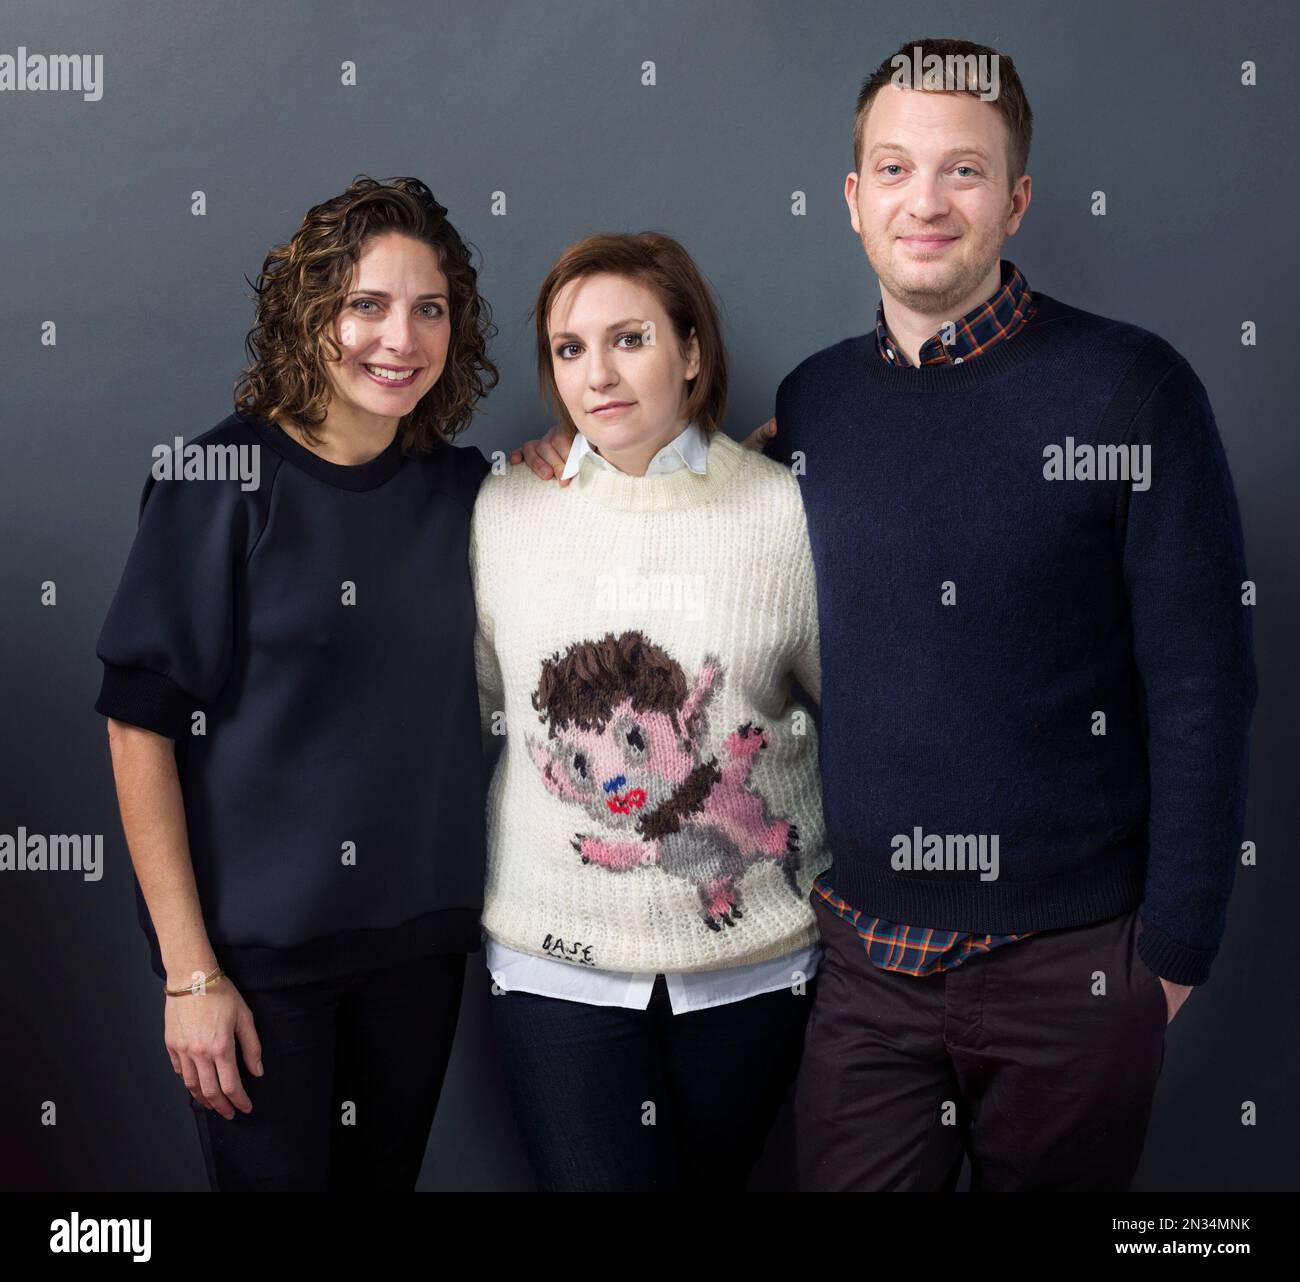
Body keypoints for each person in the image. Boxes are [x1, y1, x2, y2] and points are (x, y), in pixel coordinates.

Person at [512, 38, 1257, 1192]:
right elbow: (704, 538)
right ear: (855, 199)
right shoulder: (817, 401)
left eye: (964, 171)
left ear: (1015, 199)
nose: (927, 201)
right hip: (865, 965)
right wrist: (578, 458)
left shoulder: (1132, 390)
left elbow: (1204, 680)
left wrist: (1172, 951)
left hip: (1069, 964)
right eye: (897, 169)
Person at [94, 176, 498, 1191]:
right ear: (309, 313)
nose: (399, 338)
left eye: (429, 307)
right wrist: (189, 973)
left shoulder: (467, 492)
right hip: (257, 966)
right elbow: (138, 730)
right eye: (366, 304)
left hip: (419, 950)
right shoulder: (218, 485)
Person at [471, 231, 830, 1191]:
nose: (597, 374)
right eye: (569, 349)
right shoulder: (502, 511)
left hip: (754, 966)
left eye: (628, 339)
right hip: (556, 964)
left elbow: (865, 710)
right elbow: (486, 707)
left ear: (693, 351)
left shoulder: (787, 514)